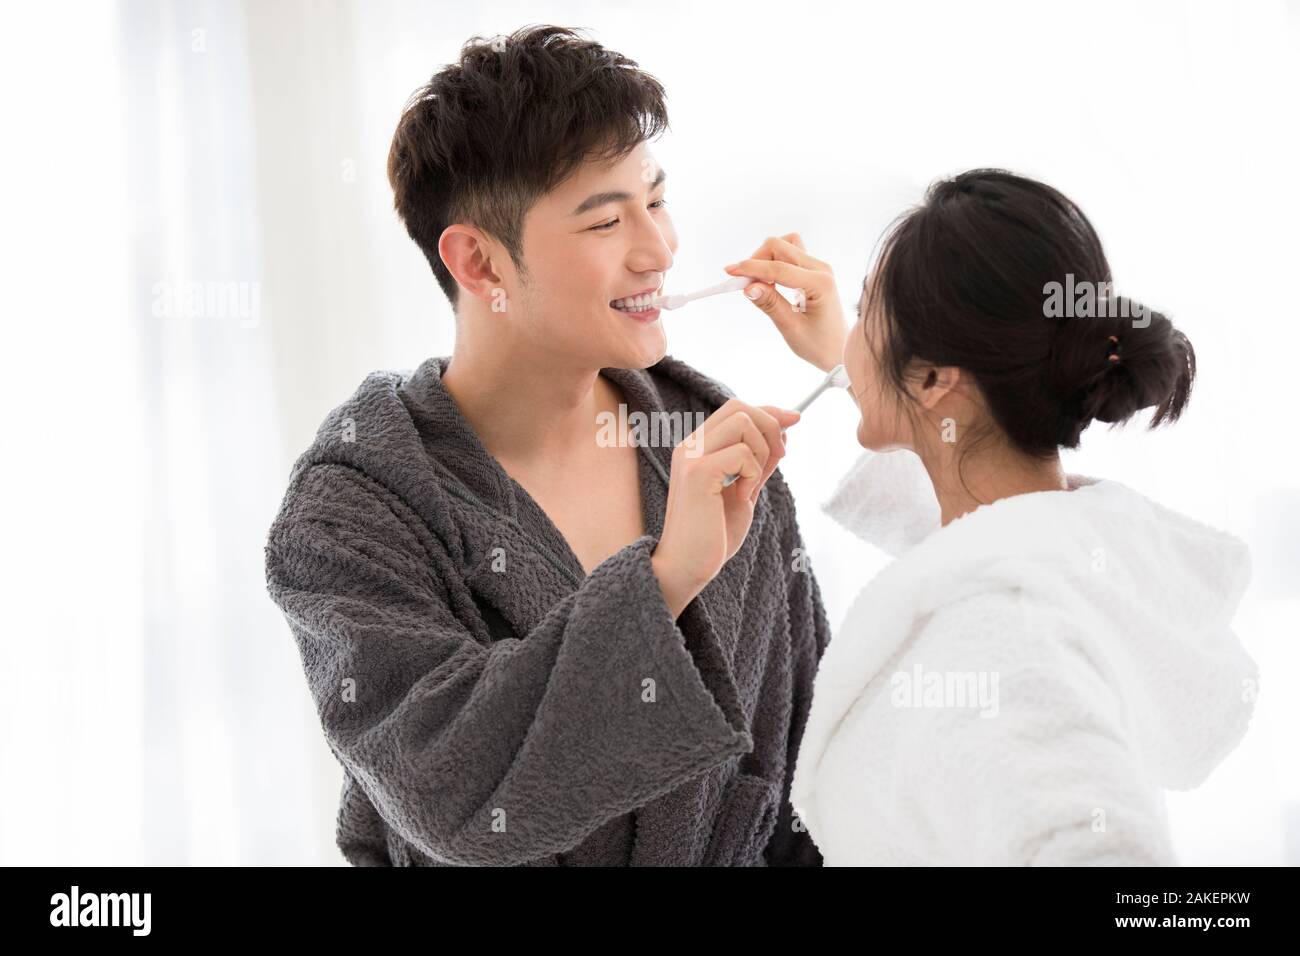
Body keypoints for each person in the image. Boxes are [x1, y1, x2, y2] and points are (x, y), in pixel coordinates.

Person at [264, 25, 829, 866]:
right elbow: (452, 794)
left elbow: (818, 773)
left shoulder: (710, 444)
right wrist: (667, 579)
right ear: (480, 264)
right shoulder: (351, 511)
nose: (660, 249)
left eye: (657, 200)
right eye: (606, 221)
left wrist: (855, 367)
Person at [725, 170, 1257, 865]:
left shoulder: (1002, 639)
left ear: (935, 378)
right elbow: (978, 523)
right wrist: (866, 367)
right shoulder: (1053, 565)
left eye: (865, 312)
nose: (852, 339)